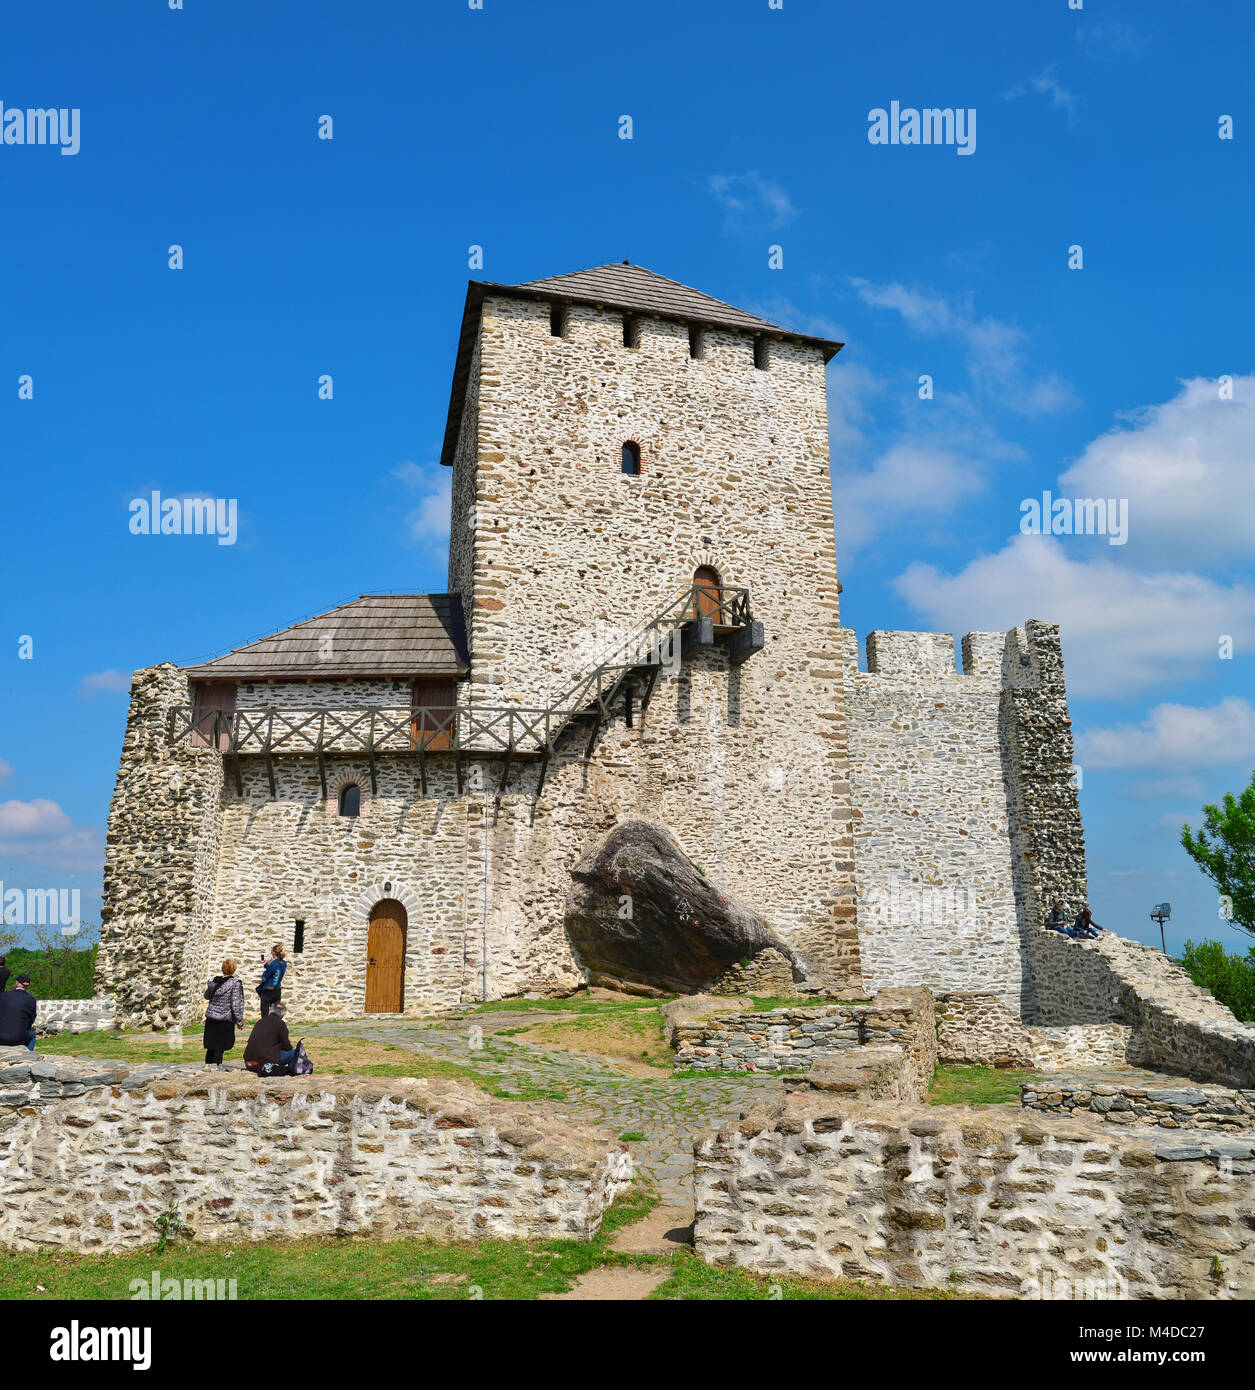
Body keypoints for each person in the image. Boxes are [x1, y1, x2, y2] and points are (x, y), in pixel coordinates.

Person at [202, 957, 245, 1065]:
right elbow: (236, 1004)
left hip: (211, 1017)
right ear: (233, 969)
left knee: (211, 1047)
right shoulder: (235, 984)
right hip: (224, 1018)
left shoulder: (214, 982)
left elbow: (206, 996)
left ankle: (207, 1068)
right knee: (220, 1047)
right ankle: (217, 1069)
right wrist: (239, 1021)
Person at [243, 1001, 295, 1077]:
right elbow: (287, 1046)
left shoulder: (260, 1021)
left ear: (271, 1011)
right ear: (283, 1015)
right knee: (295, 1053)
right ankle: (292, 1072)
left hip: (249, 1060)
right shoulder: (280, 1024)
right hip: (265, 1061)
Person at [0, 975, 38, 1051]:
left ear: (16, 983)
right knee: (33, 1034)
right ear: (27, 986)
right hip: (18, 1038)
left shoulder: (3, 995)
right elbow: (31, 1019)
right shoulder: (31, 999)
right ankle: (28, 1056)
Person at [256, 944, 287, 1019]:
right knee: (277, 1011)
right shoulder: (284, 963)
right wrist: (266, 965)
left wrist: (263, 976)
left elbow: (264, 977)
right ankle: (276, 1026)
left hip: (269, 990)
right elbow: (275, 971)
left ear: (273, 953)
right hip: (277, 989)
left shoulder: (273, 964)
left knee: (265, 1010)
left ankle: (266, 1026)